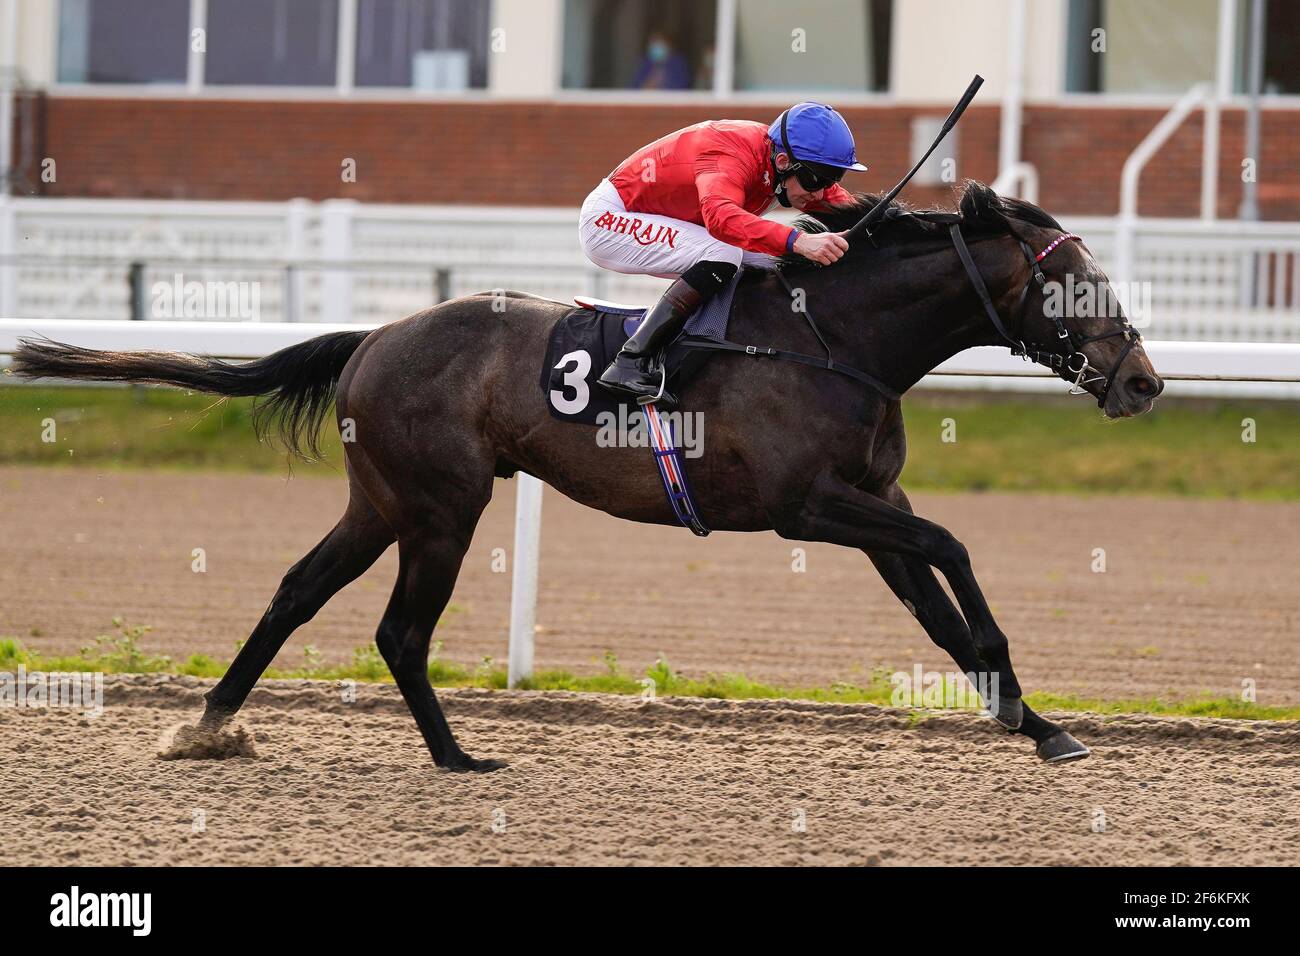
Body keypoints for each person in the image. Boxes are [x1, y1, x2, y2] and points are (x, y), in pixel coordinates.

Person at [578, 102, 866, 402]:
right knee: (724, 253)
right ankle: (631, 360)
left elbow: (848, 209)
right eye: (815, 180)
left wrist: (895, 225)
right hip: (610, 220)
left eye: (831, 179)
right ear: (782, 162)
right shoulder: (729, 150)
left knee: (779, 261)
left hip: (672, 221)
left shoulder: (789, 164)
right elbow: (721, 218)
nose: (820, 192)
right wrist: (800, 240)